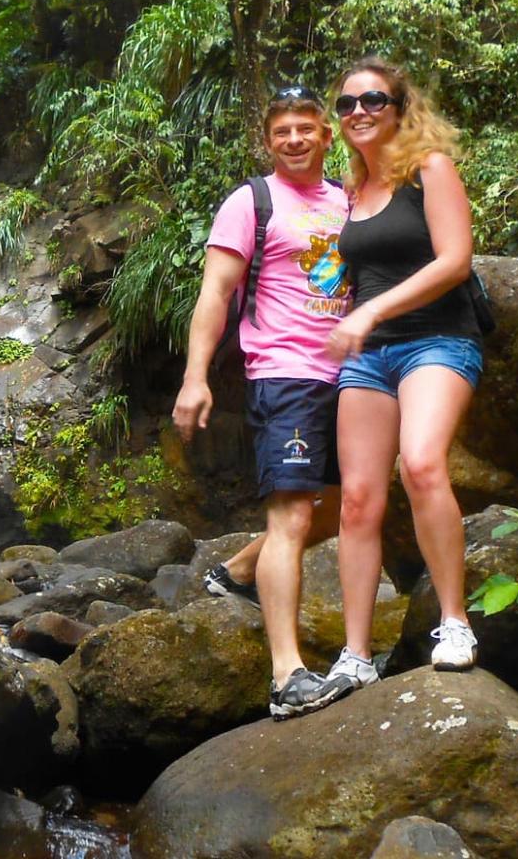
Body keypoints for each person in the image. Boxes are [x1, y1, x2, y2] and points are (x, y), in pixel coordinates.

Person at [299, 56, 482, 713]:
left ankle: (455, 623)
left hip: (438, 339)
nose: (358, 114)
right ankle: (354, 655)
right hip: (369, 356)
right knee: (356, 501)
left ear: (400, 109)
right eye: (346, 105)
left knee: (424, 464)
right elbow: (335, 279)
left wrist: (374, 309)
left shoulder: (428, 169)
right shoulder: (351, 194)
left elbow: (456, 260)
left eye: (373, 100)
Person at [173, 86, 351, 720]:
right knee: (294, 516)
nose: (295, 139)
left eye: (307, 128)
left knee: (346, 510)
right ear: (268, 140)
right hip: (285, 373)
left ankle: (240, 571)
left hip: (352, 377)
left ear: (327, 136)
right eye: (283, 131)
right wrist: (197, 378)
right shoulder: (252, 202)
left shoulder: (352, 202)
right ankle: (287, 676)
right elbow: (216, 292)